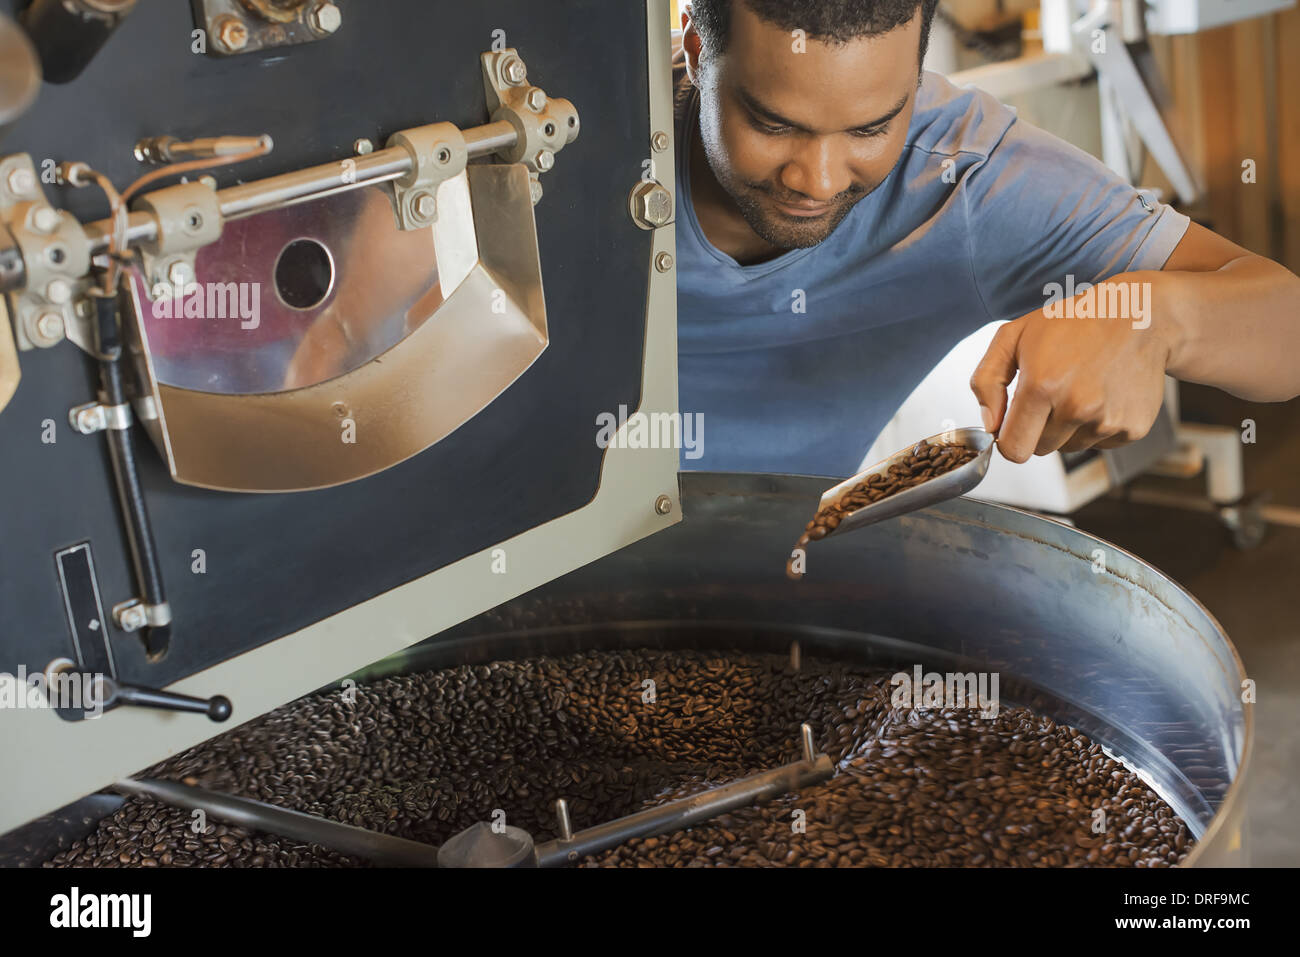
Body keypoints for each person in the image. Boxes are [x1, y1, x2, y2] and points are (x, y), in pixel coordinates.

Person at [673, 0, 1300, 474]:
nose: (818, 180)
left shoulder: (965, 177)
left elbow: (1287, 326)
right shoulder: (587, 144)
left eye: (870, 129)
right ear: (698, 54)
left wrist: (1157, 320)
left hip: (758, 581)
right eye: (773, 124)